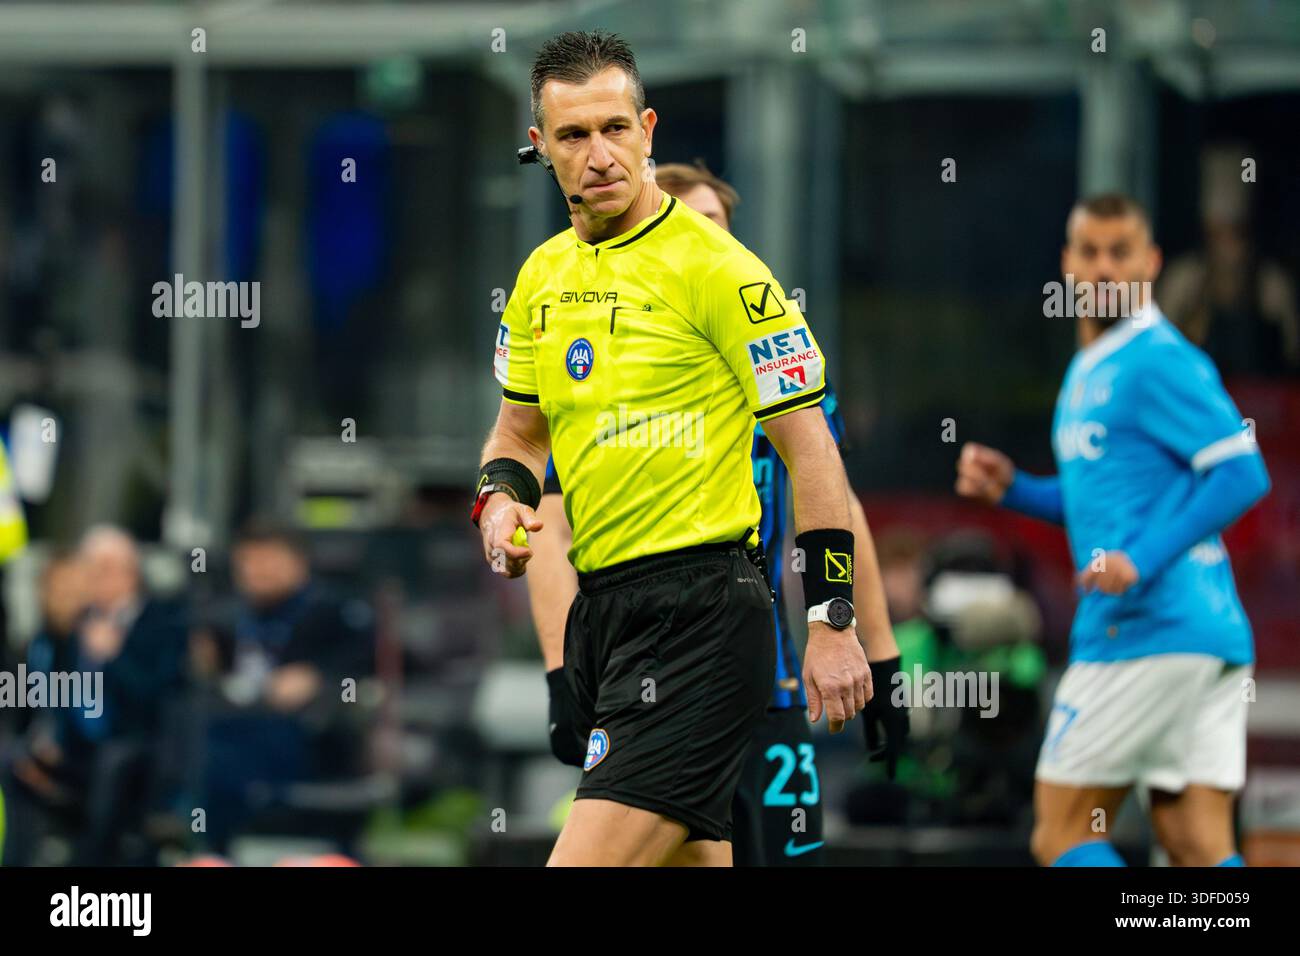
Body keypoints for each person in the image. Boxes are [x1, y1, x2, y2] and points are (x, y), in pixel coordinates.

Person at [475, 30, 871, 867]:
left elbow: (813, 455)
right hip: (604, 616)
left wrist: (835, 622)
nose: (600, 154)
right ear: (540, 147)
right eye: (575, 136)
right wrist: (499, 500)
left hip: (702, 616)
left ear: (648, 129)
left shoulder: (725, 272)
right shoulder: (541, 280)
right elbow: (517, 436)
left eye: (616, 128)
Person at [525, 161, 906, 866]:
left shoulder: (774, 357)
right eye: (686, 226)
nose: (704, 244)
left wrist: (881, 661)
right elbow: (548, 528)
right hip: (652, 679)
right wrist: (559, 673)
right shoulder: (617, 374)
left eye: (717, 229)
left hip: (772, 686)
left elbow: (840, 507)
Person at [955, 193, 1271, 866]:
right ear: (1067, 264)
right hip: (1204, 639)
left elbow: (1242, 472)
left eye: (1120, 253)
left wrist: (1140, 559)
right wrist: (1014, 488)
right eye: (1089, 253)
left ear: (1151, 263)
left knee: (1064, 832)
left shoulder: (1157, 357)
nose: (1103, 269)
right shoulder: (1090, 366)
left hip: (1144, 629)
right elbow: (1102, 503)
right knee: (1196, 845)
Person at [192, 519, 374, 852]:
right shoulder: (227, 616)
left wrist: (319, 676)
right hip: (237, 723)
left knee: (220, 756)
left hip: (309, 734)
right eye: (247, 561)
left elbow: (376, 659)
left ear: (298, 562)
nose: (256, 571)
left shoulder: (336, 612)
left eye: (268, 560)